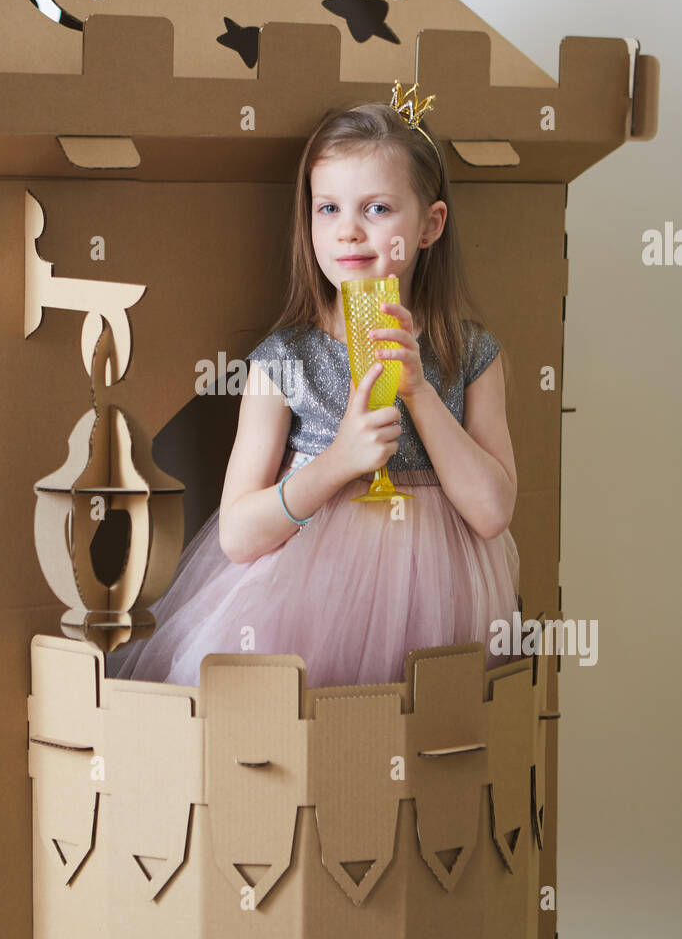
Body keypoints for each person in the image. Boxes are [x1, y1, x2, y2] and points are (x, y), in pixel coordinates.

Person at [110, 89, 520, 688]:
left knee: (418, 749)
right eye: (328, 208)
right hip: (307, 606)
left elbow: (491, 514)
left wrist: (419, 393)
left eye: (377, 209)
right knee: (313, 744)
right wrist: (339, 461)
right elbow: (238, 534)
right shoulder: (284, 360)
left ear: (429, 225)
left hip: (442, 609)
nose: (349, 232)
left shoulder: (473, 354)